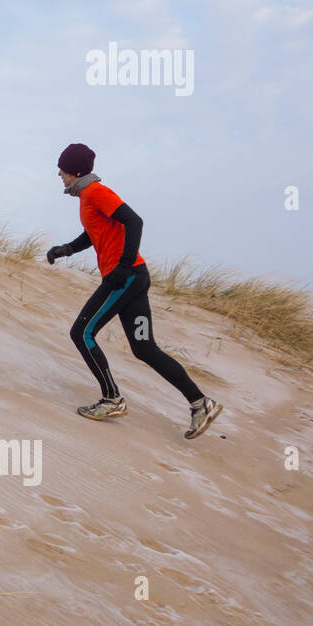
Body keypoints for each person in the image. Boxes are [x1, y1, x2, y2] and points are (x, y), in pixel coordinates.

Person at [45, 142, 222, 440]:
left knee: (82, 333)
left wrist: (123, 266)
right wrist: (67, 249)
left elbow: (134, 221)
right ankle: (201, 403)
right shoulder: (87, 197)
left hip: (125, 279)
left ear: (74, 170)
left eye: (62, 169)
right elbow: (96, 231)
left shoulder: (95, 192)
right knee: (144, 348)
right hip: (134, 278)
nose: (59, 174)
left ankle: (111, 399)